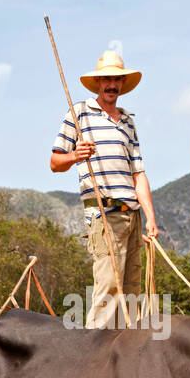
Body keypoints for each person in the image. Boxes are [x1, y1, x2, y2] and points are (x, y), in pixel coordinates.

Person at [50, 49, 160, 328]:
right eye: (107, 79)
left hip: (132, 215)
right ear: (98, 83)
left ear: (123, 84)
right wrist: (76, 155)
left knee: (131, 289)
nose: (112, 85)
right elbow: (54, 162)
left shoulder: (128, 122)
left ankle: (122, 357)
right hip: (104, 212)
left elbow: (139, 173)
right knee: (109, 287)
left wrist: (150, 218)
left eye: (117, 80)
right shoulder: (79, 114)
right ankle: (92, 354)